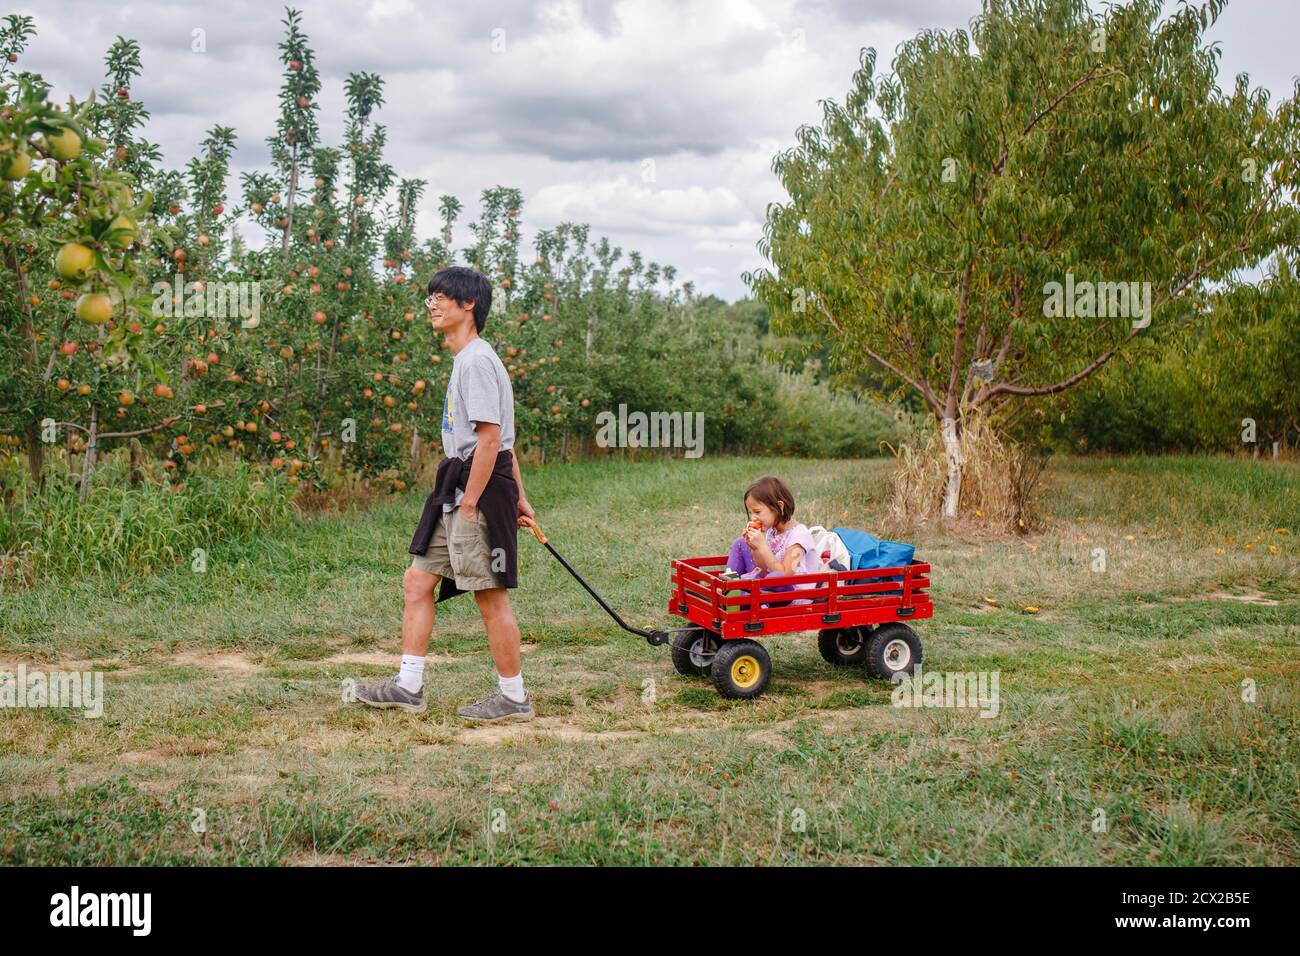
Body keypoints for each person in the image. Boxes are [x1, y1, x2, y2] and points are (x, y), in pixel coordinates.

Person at [351, 266, 537, 722]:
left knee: (489, 595)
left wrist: (475, 503)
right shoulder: (467, 359)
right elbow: (503, 443)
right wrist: (520, 496)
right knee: (418, 582)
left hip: (475, 487)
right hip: (460, 485)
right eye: (429, 296)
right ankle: (408, 686)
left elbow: (492, 440)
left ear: (468, 303)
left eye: (440, 296)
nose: (431, 304)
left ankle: (513, 697)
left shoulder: (475, 360)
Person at [735, 475, 821, 605]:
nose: (752, 518)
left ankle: (746, 598)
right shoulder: (772, 531)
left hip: (795, 596)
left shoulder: (799, 537)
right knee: (740, 544)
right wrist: (755, 549)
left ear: (779, 506)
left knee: (777, 577)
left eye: (757, 512)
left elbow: (785, 577)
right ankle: (727, 589)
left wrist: (763, 546)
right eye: (750, 513)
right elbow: (764, 570)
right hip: (771, 588)